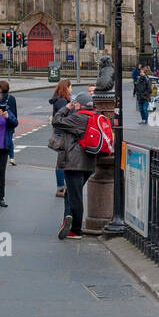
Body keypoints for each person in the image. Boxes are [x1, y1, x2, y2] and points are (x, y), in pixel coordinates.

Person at [53, 91, 99, 240]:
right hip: (89, 162)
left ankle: (75, 230)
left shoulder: (77, 117)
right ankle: (67, 218)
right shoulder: (96, 116)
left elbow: (57, 121)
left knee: (75, 196)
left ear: (79, 104)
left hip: (74, 162)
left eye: (76, 103)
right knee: (72, 193)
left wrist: (66, 107)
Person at [50, 78, 72, 198]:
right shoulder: (62, 101)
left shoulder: (59, 100)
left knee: (62, 160)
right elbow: (64, 118)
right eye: (70, 86)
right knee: (62, 162)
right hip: (62, 133)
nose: (71, 89)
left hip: (59, 132)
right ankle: (60, 187)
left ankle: (61, 186)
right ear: (66, 87)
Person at [0, 80, 19, 164]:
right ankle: (12, 158)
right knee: (9, 139)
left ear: (1, 88)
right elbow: (14, 112)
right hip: (9, 121)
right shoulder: (11, 98)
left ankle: (0, 157)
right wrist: (13, 124)